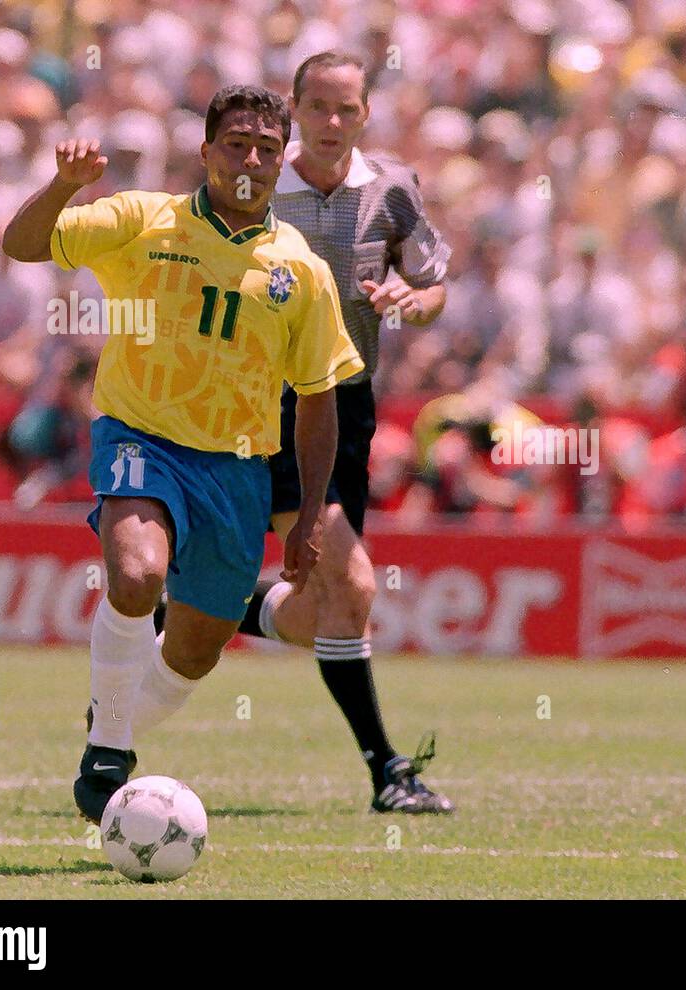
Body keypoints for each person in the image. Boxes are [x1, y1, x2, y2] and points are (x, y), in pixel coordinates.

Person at [2, 84, 363, 822]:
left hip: (236, 470)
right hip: (140, 437)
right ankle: (107, 749)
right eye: (236, 144)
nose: (251, 160)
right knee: (136, 576)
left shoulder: (302, 271)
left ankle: (117, 730)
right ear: (205, 153)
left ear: (282, 163)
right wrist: (64, 187)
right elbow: (22, 244)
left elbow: (319, 396)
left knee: (195, 652)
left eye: (267, 149)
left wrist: (310, 517)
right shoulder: (142, 219)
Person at [230, 51, 454, 813]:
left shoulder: (391, 189)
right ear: (293, 112)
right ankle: (387, 772)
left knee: (319, 604)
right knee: (351, 584)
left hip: (347, 408)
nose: (332, 122)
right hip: (264, 410)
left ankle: (187, 608)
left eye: (347, 109)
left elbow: (433, 287)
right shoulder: (255, 191)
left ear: (366, 115)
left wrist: (408, 300)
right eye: (318, 107)